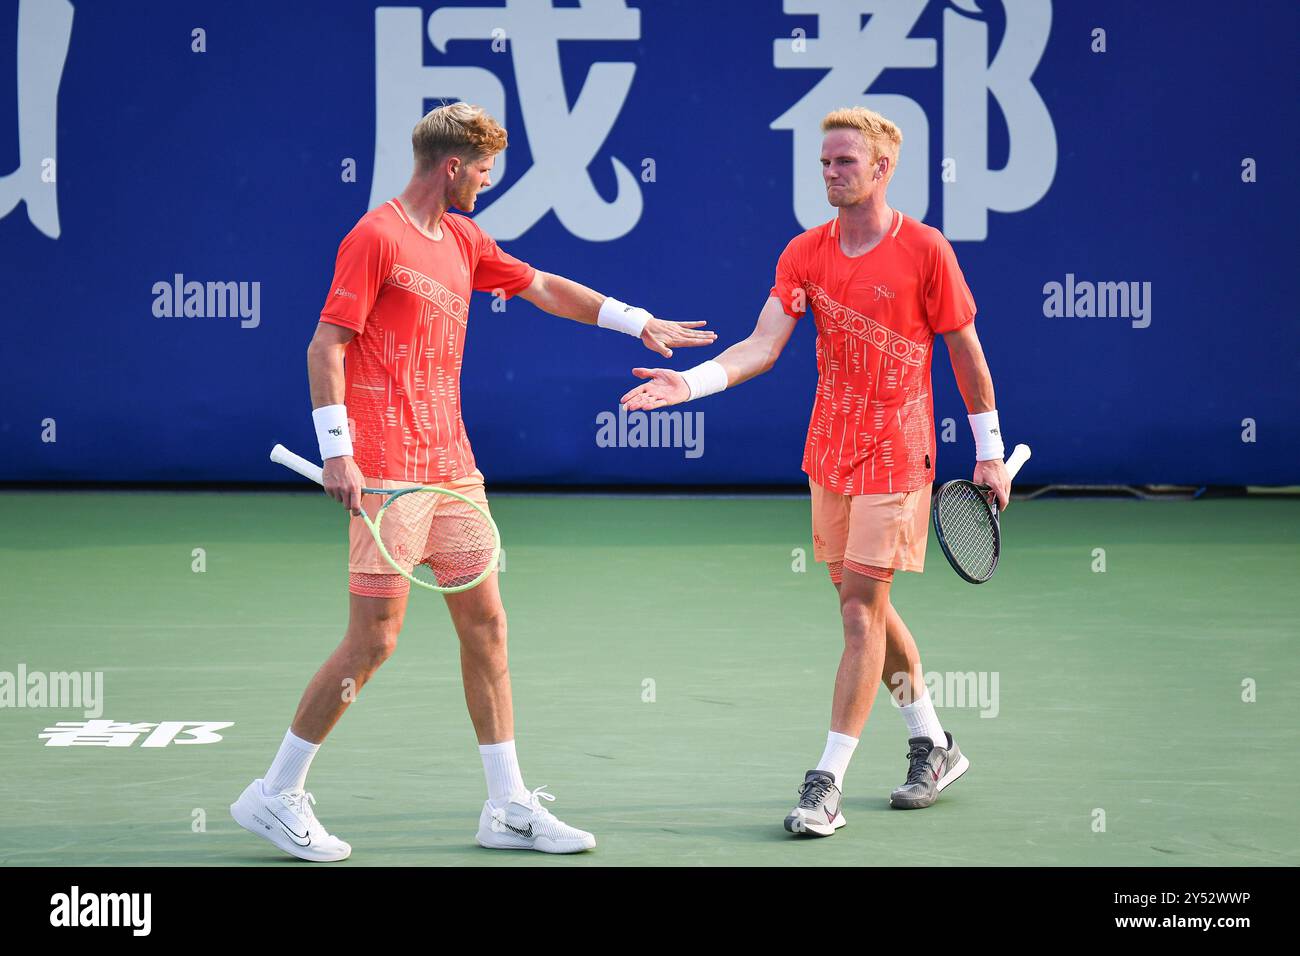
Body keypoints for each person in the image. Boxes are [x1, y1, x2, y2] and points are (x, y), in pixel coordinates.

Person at [231, 102, 715, 859]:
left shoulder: (462, 236)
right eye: (484, 170)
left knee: (486, 627)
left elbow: (543, 286)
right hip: (388, 470)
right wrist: (338, 449)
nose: (487, 183)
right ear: (452, 166)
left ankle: (508, 807)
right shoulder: (375, 236)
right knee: (374, 641)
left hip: (454, 470)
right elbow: (326, 346)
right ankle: (275, 792)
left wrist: (635, 320)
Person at [619, 106, 1011, 837]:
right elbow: (763, 344)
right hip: (830, 452)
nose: (832, 173)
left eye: (845, 163)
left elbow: (966, 353)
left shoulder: (926, 251)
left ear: (882, 169)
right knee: (866, 607)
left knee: (862, 612)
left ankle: (824, 782)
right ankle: (934, 742)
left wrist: (988, 449)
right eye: (825, 162)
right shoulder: (804, 253)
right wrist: (692, 383)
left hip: (899, 453)